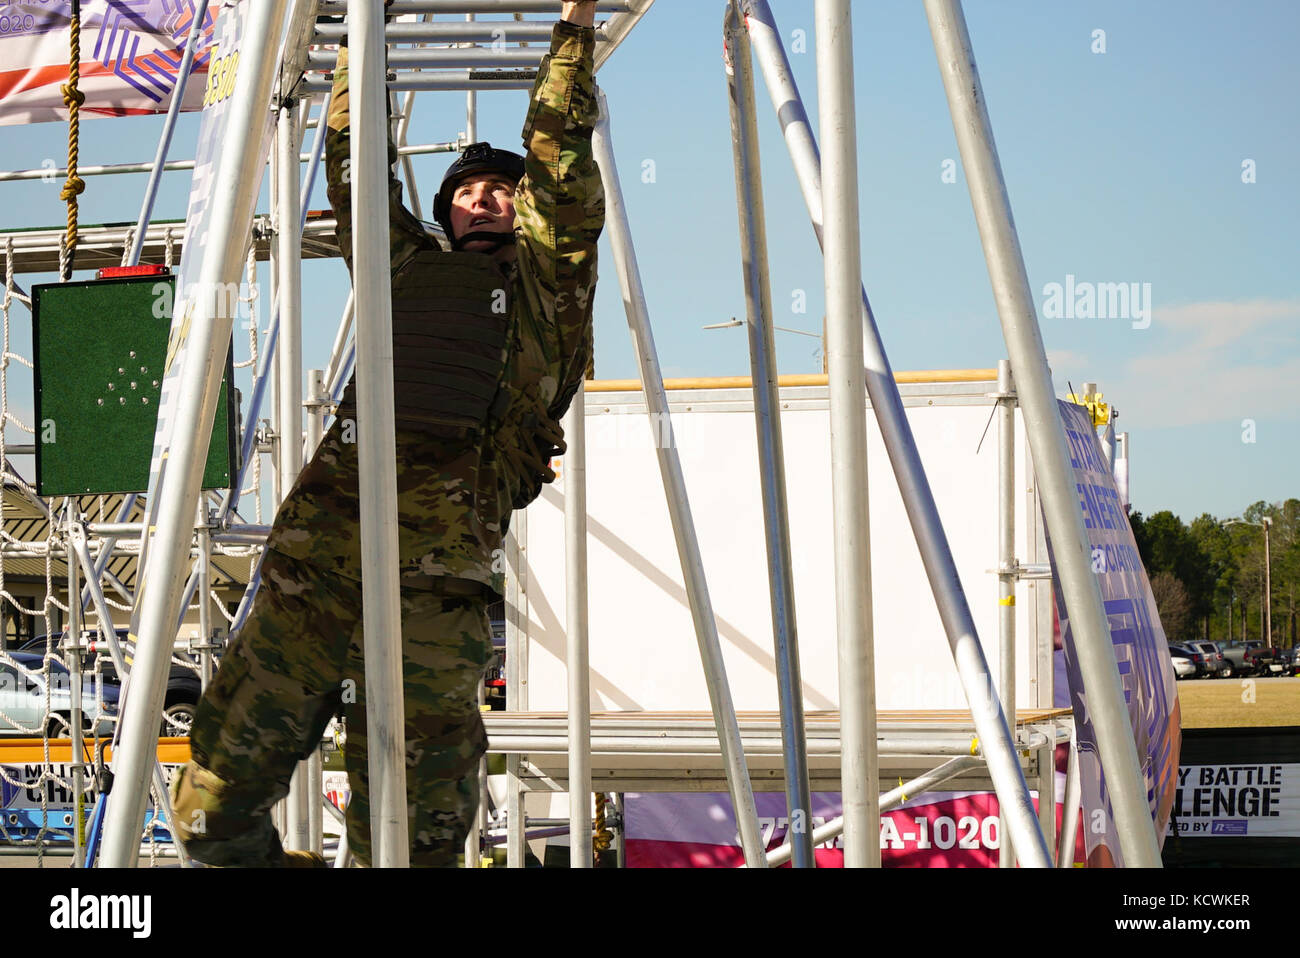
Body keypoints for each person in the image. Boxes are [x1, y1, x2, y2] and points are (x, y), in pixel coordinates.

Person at [169, 0, 604, 867]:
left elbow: (560, 171)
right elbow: (355, 170)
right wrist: (351, 54)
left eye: (500, 191)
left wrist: (572, 34)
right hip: (315, 568)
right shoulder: (403, 267)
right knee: (207, 816)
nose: (485, 199)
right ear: (445, 215)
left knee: (409, 842)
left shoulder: (547, 296)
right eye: (467, 192)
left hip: (432, 597)